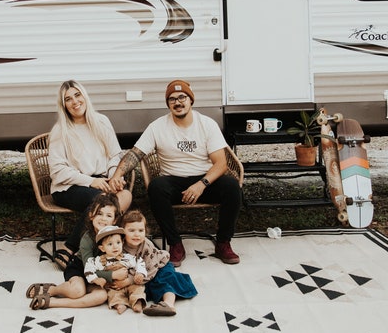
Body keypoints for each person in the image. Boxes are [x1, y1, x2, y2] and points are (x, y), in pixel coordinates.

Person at [111, 79, 242, 266]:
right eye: (172, 99)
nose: (178, 102)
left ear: (191, 100)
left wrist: (201, 184)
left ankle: (223, 243)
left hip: (204, 181)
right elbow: (135, 154)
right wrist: (117, 175)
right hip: (173, 182)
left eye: (182, 97)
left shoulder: (206, 124)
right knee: (156, 188)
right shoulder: (157, 126)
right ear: (168, 104)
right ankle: (175, 244)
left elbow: (221, 164)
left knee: (231, 186)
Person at [48, 80, 133, 254]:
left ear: (84, 96)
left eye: (77, 95)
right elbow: (58, 171)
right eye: (68, 99)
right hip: (68, 187)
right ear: (63, 105)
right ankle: (70, 248)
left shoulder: (101, 121)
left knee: (125, 195)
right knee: (102, 201)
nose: (75, 102)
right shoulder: (60, 130)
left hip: (101, 182)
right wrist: (91, 181)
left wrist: (114, 177)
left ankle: (103, 243)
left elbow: (114, 156)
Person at [26, 193, 131, 310]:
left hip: (99, 275)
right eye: (99, 213)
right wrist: (112, 275)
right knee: (77, 291)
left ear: (115, 220)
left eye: (108, 215)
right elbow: (89, 268)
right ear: (91, 215)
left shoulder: (117, 236)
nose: (103, 218)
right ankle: (51, 290)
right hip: (82, 269)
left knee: (101, 296)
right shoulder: (87, 238)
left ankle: (51, 302)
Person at [120, 209, 197, 317]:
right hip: (142, 273)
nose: (136, 234)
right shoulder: (120, 246)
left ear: (145, 231)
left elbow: (151, 268)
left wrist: (131, 279)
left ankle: (169, 305)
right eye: (131, 230)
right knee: (135, 287)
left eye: (141, 231)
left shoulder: (146, 245)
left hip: (158, 266)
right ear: (123, 231)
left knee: (163, 281)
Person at [84, 225, 147, 314]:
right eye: (110, 244)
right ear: (102, 248)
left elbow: (140, 262)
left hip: (128, 283)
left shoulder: (127, 258)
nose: (115, 247)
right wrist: (95, 279)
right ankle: (120, 304)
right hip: (113, 287)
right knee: (113, 294)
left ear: (122, 243)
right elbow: (89, 268)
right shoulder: (99, 261)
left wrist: (140, 273)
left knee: (137, 288)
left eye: (118, 242)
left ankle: (137, 301)